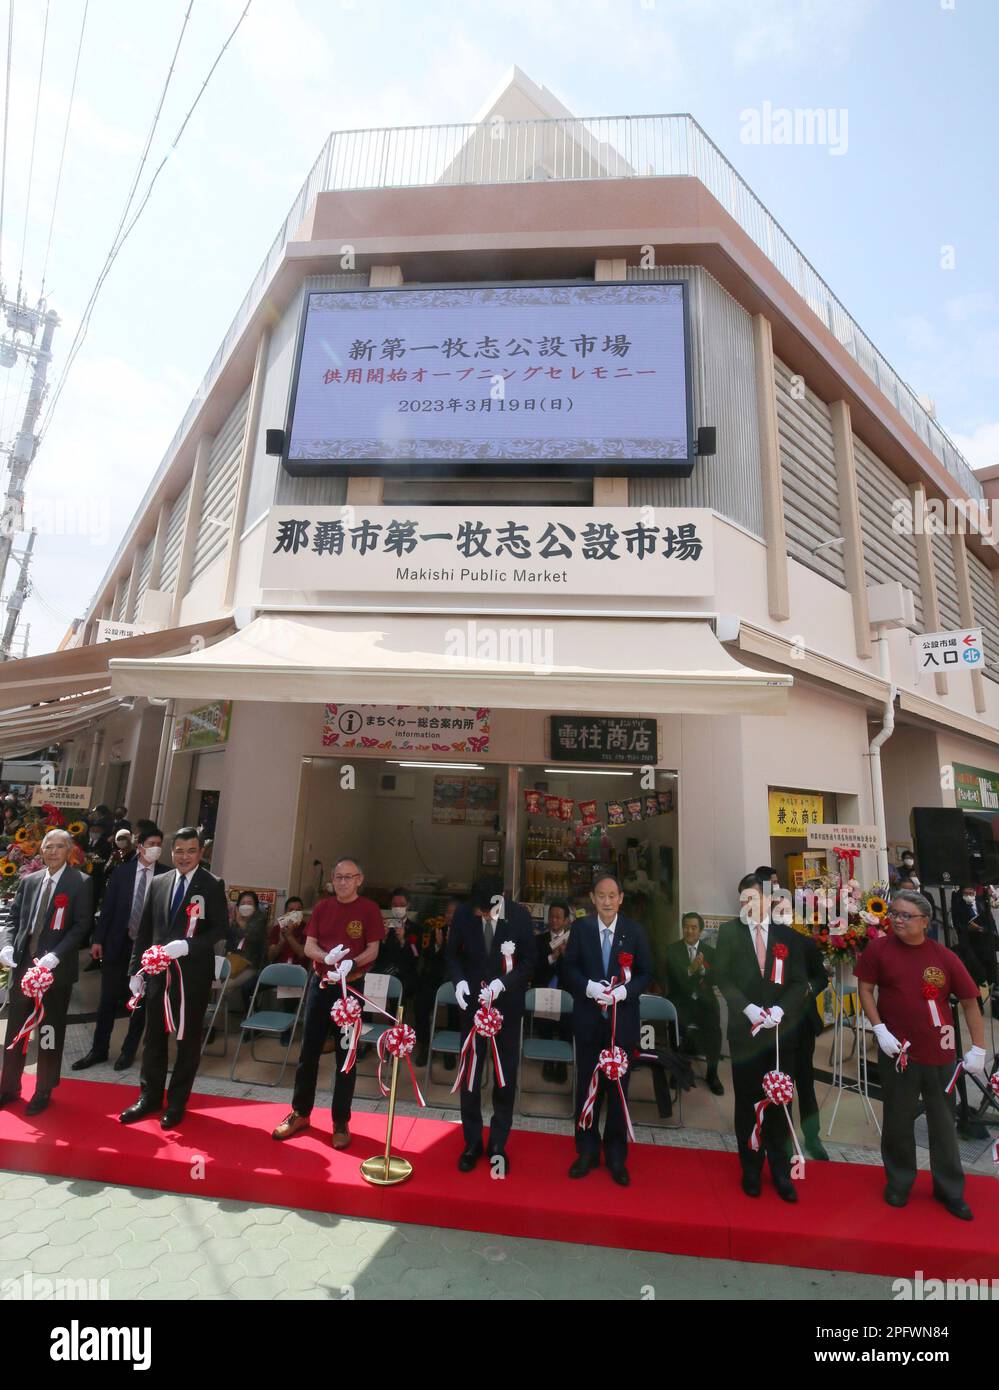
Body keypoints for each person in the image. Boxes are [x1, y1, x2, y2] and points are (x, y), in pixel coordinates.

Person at [857, 889, 985, 1221]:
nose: (897, 920)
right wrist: (879, 1028)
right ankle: (899, 1182)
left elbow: (971, 1001)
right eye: (894, 914)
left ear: (925, 922)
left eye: (905, 916)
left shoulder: (943, 957)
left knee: (943, 1124)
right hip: (898, 1053)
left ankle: (950, 1190)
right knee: (897, 1121)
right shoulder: (879, 949)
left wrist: (979, 1048)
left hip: (939, 1054)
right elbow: (865, 989)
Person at [119, 826, 229, 1129]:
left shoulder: (212, 884)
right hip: (157, 975)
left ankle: (177, 1102)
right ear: (172, 852)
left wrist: (187, 946)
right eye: (179, 851)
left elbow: (220, 929)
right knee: (153, 1037)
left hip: (192, 975)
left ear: (200, 852)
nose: (184, 856)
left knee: (187, 1040)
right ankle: (149, 1096)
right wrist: (134, 972)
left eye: (191, 850)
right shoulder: (159, 882)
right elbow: (144, 931)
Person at [271, 857, 384, 1150]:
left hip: (351, 989)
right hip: (321, 985)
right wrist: (327, 959)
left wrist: (350, 964)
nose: (342, 882)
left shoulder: (369, 909)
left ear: (360, 879)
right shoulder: (322, 907)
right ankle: (300, 1112)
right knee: (308, 1052)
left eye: (349, 877)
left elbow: (373, 949)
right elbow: (309, 946)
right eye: (338, 877)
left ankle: (340, 1121)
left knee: (346, 1057)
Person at [713, 873, 807, 1203]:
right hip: (746, 1033)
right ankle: (751, 1167)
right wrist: (748, 1009)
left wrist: (780, 1010)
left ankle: (781, 1170)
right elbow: (722, 977)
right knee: (748, 1100)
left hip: (781, 1035)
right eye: (743, 900)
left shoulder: (787, 936)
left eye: (752, 898)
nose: (747, 905)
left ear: (768, 899)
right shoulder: (729, 933)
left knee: (780, 1100)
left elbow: (799, 982)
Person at [562, 874, 652, 1186]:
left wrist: (624, 992)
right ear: (592, 897)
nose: (607, 901)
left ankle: (615, 1155)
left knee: (617, 1089)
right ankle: (586, 1150)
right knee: (587, 1087)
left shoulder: (634, 931)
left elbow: (646, 972)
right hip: (588, 1020)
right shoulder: (582, 929)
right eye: (601, 895)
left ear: (621, 898)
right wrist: (588, 987)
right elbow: (568, 968)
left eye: (612, 895)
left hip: (621, 1022)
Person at [0, 829, 94, 1114]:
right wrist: (6, 946)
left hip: (55, 970)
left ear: (69, 851)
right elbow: (15, 918)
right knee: (15, 1029)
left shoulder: (81, 882)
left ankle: (43, 1089)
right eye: (47, 846)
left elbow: (81, 925)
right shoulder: (29, 881)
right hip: (25, 967)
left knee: (50, 1030)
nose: (52, 851)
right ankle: (9, 1087)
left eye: (59, 847)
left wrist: (56, 955)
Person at [446, 875, 536, 1173]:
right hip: (471, 1006)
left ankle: (498, 1142)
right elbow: (452, 954)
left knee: (504, 1076)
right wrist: (458, 982)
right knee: (470, 1075)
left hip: (506, 1009)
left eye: (489, 912)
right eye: (479, 912)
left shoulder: (520, 917)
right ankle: (472, 1142)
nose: (483, 916)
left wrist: (502, 984)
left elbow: (528, 963)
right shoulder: (463, 913)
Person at [73, 826, 170, 1072]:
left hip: (147, 949)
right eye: (151, 843)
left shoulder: (166, 876)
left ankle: (128, 1051)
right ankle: (98, 1049)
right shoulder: (122, 872)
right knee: (107, 1000)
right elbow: (108, 909)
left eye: (159, 843)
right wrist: (98, 939)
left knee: (138, 1003)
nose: (155, 847)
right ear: (140, 846)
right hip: (118, 943)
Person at [664, 911, 724, 1096]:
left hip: (704, 1002)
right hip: (681, 1001)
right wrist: (691, 969)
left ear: (700, 931)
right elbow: (674, 979)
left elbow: (717, 977)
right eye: (686, 927)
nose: (689, 931)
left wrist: (704, 973)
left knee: (714, 1030)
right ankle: (678, 1070)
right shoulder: (672, 950)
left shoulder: (711, 952)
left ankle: (712, 1074)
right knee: (677, 1029)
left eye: (693, 927)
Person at [785, 928, 831, 1160]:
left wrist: (810, 988)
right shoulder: (763, 943)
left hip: (802, 1024)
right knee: (780, 1083)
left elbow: (821, 977)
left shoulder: (804, 944)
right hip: (775, 1024)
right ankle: (783, 1134)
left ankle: (812, 1137)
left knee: (805, 1082)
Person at [413, 897, 459, 1068]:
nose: (450, 916)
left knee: (456, 1007)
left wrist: (445, 947)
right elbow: (427, 955)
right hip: (435, 978)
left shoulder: (467, 934)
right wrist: (438, 946)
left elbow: (462, 959)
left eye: (455, 913)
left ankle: (450, 1050)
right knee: (420, 1004)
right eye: (448, 912)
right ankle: (425, 1045)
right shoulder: (436, 931)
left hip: (455, 981)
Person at [533, 900, 573, 1083]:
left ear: (566, 920)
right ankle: (548, 1061)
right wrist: (552, 957)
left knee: (566, 1027)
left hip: (566, 991)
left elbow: (576, 970)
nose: (554, 921)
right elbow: (535, 967)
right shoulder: (539, 940)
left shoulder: (573, 941)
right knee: (545, 1027)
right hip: (545, 989)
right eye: (552, 917)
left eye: (558, 917)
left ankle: (562, 1064)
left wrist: (564, 957)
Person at [950, 884, 998, 989]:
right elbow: (957, 924)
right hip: (970, 945)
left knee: (992, 976)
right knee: (974, 978)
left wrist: (982, 929)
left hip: (985, 944)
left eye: (972, 892)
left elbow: (991, 923)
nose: (970, 894)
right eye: (967, 892)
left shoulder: (981, 903)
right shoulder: (959, 905)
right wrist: (967, 929)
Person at [377, 888, 420, 1000]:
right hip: (384, 970)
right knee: (368, 985)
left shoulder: (414, 928)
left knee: (401, 992)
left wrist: (403, 941)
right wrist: (383, 939)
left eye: (401, 905)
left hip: (404, 972)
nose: (398, 908)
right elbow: (376, 953)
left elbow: (415, 953)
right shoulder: (385, 925)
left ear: (408, 906)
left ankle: (397, 1017)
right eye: (394, 905)